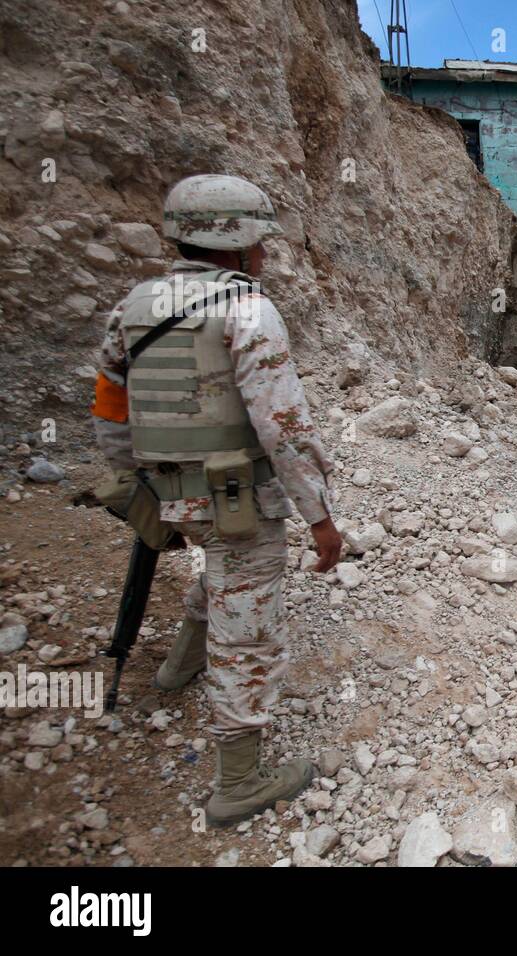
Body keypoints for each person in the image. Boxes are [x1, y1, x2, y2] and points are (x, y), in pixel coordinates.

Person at [90, 174, 343, 826]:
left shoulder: (134, 304)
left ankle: (179, 667)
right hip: (239, 505)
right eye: (259, 240)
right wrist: (321, 519)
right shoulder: (248, 309)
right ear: (233, 243)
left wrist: (135, 491)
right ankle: (239, 784)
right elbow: (282, 429)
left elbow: (109, 410)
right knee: (249, 630)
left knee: (222, 577)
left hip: (171, 500)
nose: (264, 254)